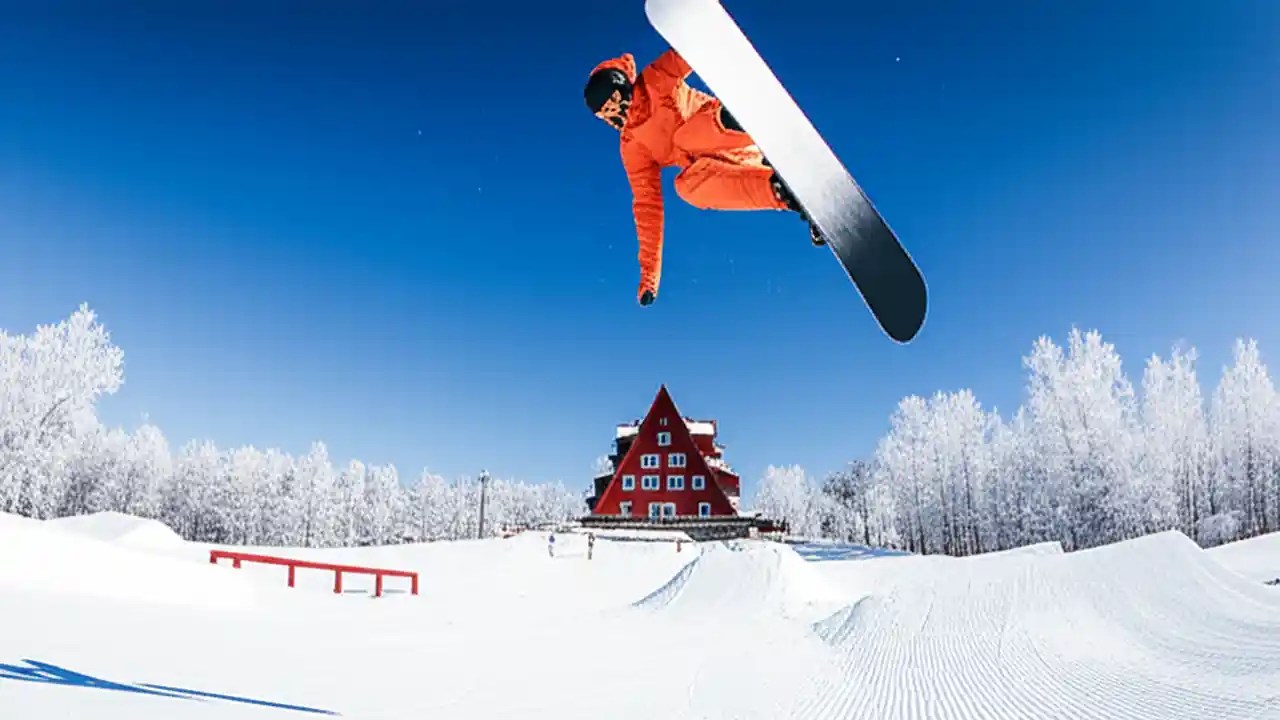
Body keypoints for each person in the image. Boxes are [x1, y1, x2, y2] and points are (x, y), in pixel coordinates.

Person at [583, 48, 824, 307]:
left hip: (729, 134)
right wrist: (649, 276)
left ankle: (744, 117)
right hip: (734, 168)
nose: (614, 117)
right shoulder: (632, 146)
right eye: (605, 116)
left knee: (685, 138)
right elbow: (647, 206)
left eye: (613, 104)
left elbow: (692, 48)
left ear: (621, 87)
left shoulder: (654, 80)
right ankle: (782, 192)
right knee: (686, 187)